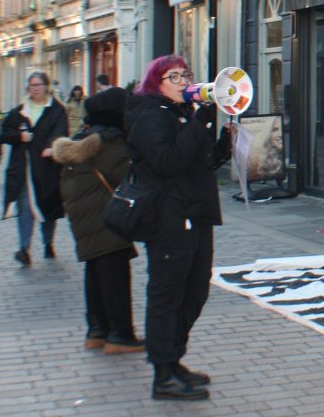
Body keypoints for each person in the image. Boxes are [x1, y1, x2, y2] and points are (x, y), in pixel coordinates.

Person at [128, 55, 231, 400]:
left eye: (185, 75)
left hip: (196, 213)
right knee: (167, 294)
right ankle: (162, 373)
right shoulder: (148, 116)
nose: (183, 81)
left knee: (195, 290)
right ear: (156, 82)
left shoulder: (181, 114)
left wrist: (223, 144)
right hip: (168, 218)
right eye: (174, 77)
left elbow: (200, 163)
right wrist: (199, 120)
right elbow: (168, 161)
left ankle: (173, 359)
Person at [52, 87, 144, 354]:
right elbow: (132, 176)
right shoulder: (111, 143)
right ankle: (120, 335)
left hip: (85, 221)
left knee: (95, 274)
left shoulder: (82, 138)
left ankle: (97, 331)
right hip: (107, 220)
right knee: (115, 277)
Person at [0, 71, 68, 265]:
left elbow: (60, 131)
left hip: (46, 168)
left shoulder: (56, 110)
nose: (35, 89)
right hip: (24, 169)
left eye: (38, 85)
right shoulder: (20, 111)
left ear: (46, 86)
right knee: (25, 208)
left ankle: (48, 243)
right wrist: (18, 137)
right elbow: (5, 132)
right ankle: (24, 248)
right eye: (31, 86)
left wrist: (51, 146)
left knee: (47, 206)